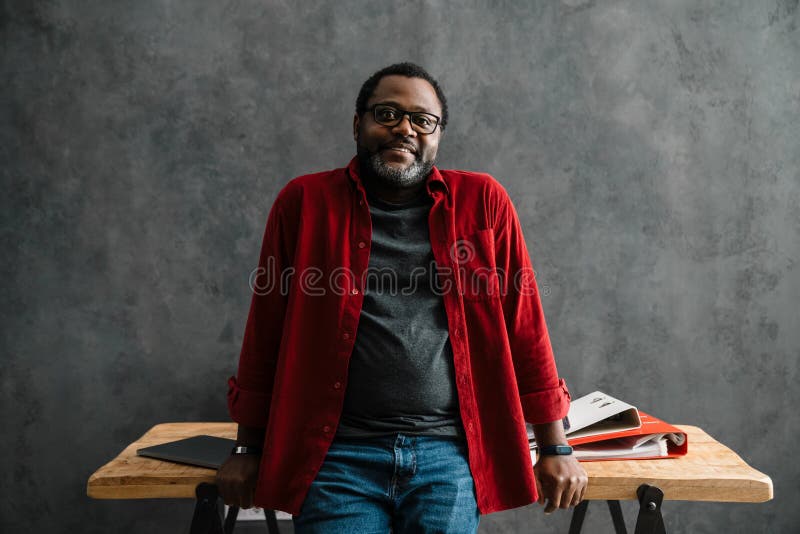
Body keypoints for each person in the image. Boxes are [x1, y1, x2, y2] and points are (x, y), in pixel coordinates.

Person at [216, 62, 587, 533]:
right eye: (387, 113)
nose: (404, 129)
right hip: (336, 457)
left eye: (422, 120)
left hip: (448, 454)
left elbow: (525, 326)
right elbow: (265, 333)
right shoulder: (304, 203)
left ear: (438, 135)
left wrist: (556, 447)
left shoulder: (483, 202)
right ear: (358, 124)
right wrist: (247, 447)